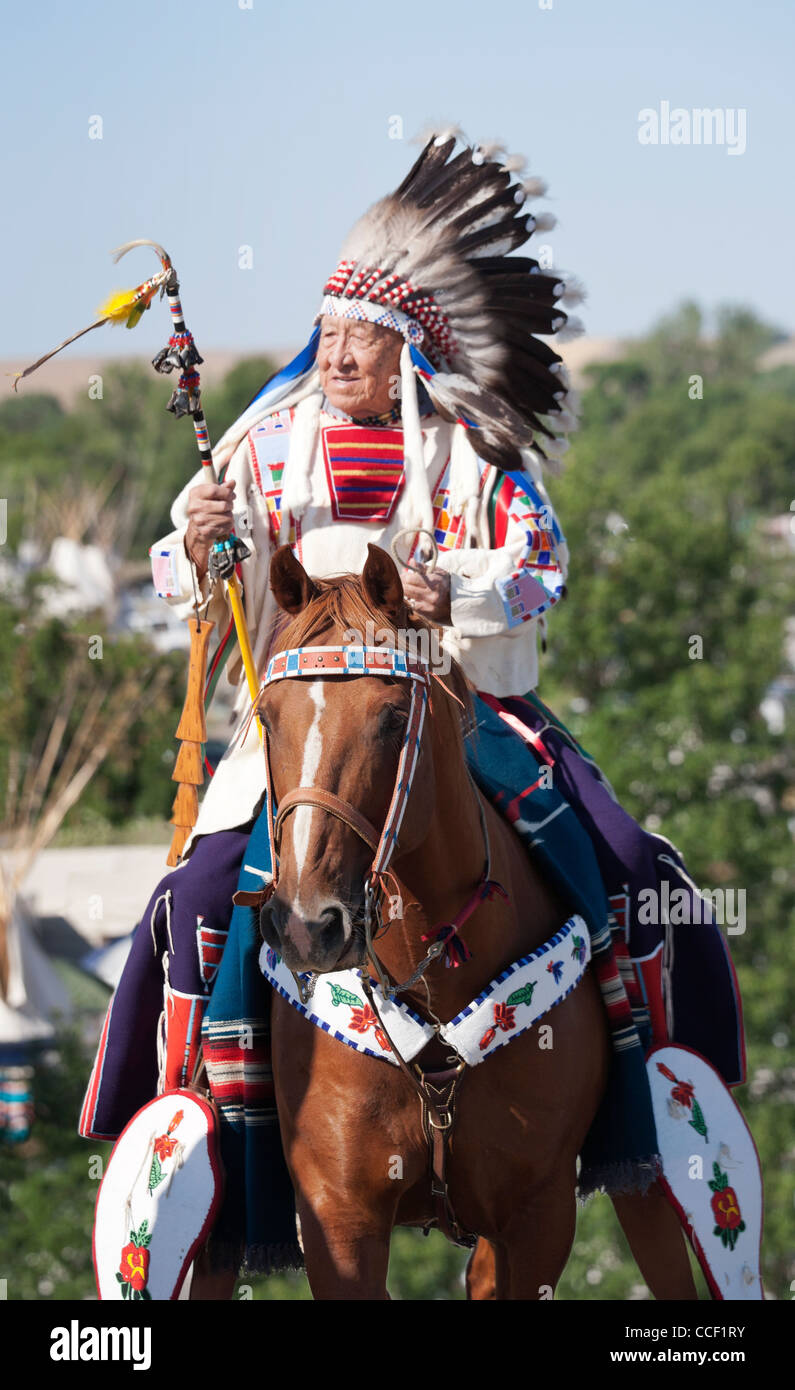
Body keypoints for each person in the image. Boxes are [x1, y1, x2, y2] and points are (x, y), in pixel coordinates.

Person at [79, 129, 744, 1285]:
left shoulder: (472, 455)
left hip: (470, 716)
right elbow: (190, 577)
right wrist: (194, 545)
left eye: (358, 338)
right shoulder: (264, 442)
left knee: (633, 866)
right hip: (299, 732)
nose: (335, 354)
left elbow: (546, 568)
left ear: (404, 353)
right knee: (191, 899)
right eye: (326, 334)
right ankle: (204, 1130)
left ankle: (640, 1114)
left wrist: (459, 587)